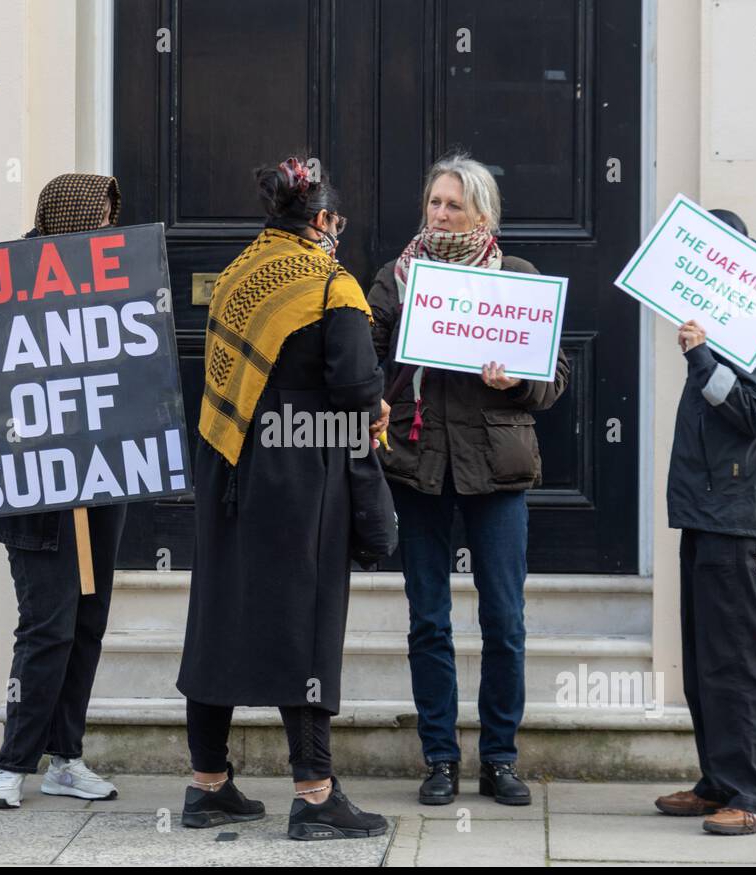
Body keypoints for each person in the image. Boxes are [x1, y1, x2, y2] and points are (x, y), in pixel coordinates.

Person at [175, 156, 392, 840]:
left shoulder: (239, 273)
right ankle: (315, 794)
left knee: (219, 617)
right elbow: (356, 389)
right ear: (322, 220)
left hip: (225, 462)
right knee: (305, 621)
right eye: (337, 220)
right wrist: (377, 408)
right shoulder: (334, 287)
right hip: (298, 475)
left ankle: (208, 785)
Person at [367, 152, 570, 807]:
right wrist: (377, 397)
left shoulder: (517, 279)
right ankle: (441, 759)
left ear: (483, 212)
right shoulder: (395, 282)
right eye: (434, 203)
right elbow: (363, 370)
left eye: (454, 205)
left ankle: (501, 759)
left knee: (504, 621)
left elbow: (554, 381)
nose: (441, 214)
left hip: (497, 470)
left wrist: (518, 379)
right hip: (417, 467)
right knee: (428, 620)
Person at [0, 173, 127, 809]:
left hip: (102, 478)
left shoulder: (115, 282)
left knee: (87, 620)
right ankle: (13, 766)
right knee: (47, 625)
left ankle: (66, 758)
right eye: (98, 220)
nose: (108, 232)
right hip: (38, 492)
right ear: (71, 219)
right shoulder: (9, 286)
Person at [653, 208, 756, 835]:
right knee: (707, 657)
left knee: (737, 661)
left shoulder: (754, 322)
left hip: (739, 522)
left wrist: (701, 356)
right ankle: (720, 783)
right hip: (709, 515)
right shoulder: (724, 321)